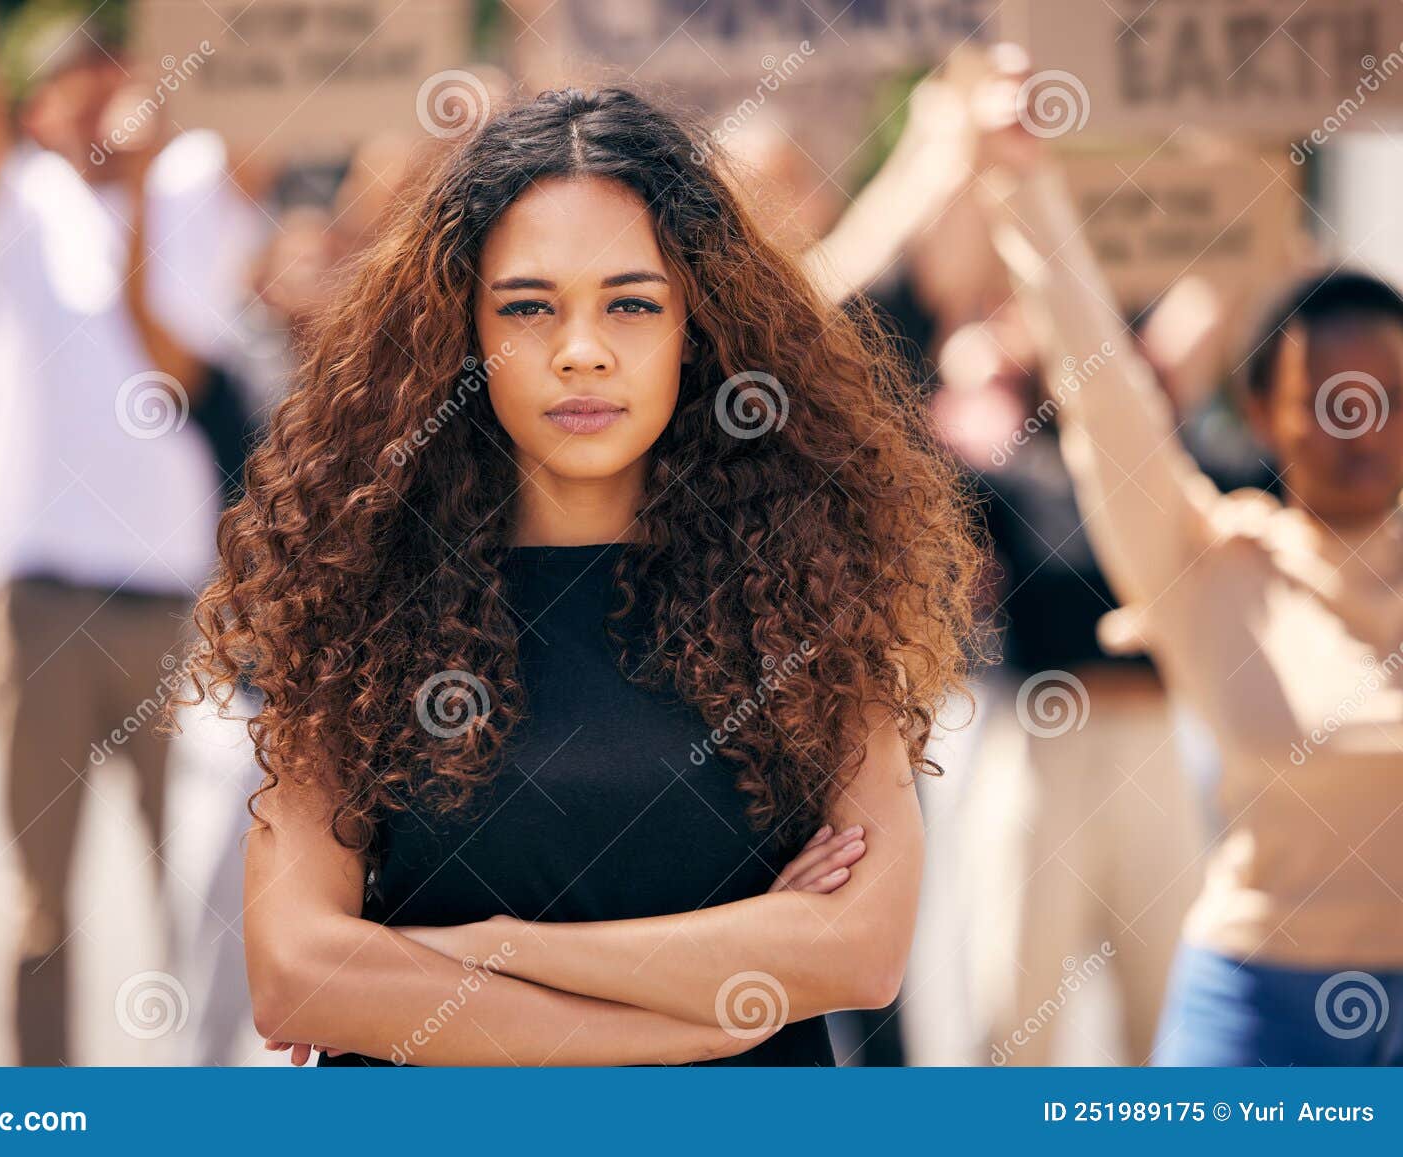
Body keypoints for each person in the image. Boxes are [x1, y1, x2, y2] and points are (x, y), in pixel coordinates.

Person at [173, 86, 982, 1066]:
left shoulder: (807, 589)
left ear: (698, 321)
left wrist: (488, 952)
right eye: (528, 307)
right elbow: (299, 974)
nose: (583, 351)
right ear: (461, 328)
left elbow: (857, 951)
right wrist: (698, 1015)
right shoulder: (355, 588)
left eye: (632, 303)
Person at [978, 72, 1403, 1064]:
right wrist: (1021, 185)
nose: (1361, 426)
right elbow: (1102, 389)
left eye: (1389, 394)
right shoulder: (1205, 562)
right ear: (1260, 412)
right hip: (1252, 1018)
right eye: (1330, 395)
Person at [0, 0, 266, 1065]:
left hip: (181, 611)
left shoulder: (195, 192)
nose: (119, 99)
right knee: (42, 894)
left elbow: (271, 98)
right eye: (90, 83)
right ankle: (41, 1106)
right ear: (39, 113)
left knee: (204, 882)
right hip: (39, 604)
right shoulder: (17, 208)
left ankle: (203, 1100)